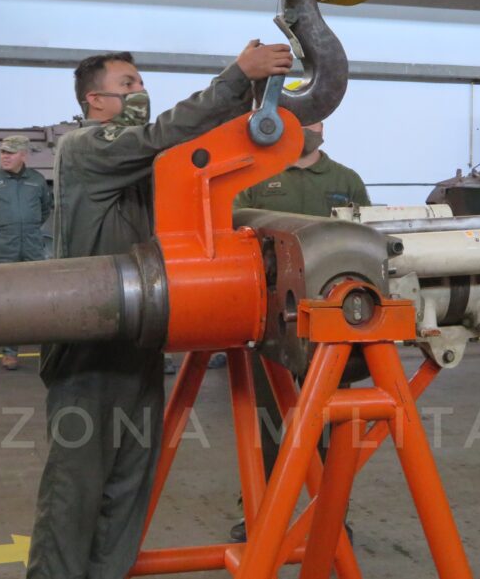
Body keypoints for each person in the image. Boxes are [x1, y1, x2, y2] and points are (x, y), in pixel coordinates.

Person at [27, 41, 292, 579]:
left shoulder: (142, 167)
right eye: (128, 84)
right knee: (75, 491)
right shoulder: (86, 147)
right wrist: (237, 75)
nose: (140, 90)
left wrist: (252, 100)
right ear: (94, 100)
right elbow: (159, 136)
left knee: (127, 488)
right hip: (91, 353)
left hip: (143, 344)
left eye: (141, 82)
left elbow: (188, 146)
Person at [228, 118, 371, 542]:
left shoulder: (346, 180)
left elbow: (368, 237)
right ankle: (260, 515)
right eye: (300, 120)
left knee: (331, 422)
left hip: (332, 321)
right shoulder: (257, 179)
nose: (308, 127)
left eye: (314, 119)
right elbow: (235, 236)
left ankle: (329, 518)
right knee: (269, 421)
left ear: (325, 124)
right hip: (272, 320)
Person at [0, 134, 53, 370]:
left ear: (23, 155)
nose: (5, 157)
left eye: (10, 153)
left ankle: (48, 350)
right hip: (4, 250)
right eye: (3, 152)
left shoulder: (37, 181)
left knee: (40, 298)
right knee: (8, 301)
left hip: (33, 249)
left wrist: (27, 229)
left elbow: (45, 209)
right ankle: (10, 351)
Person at [232, 120, 370, 216]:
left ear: (321, 129)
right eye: (296, 121)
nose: (303, 129)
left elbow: (368, 231)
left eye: (310, 121)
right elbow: (234, 225)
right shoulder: (253, 178)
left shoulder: (348, 180)